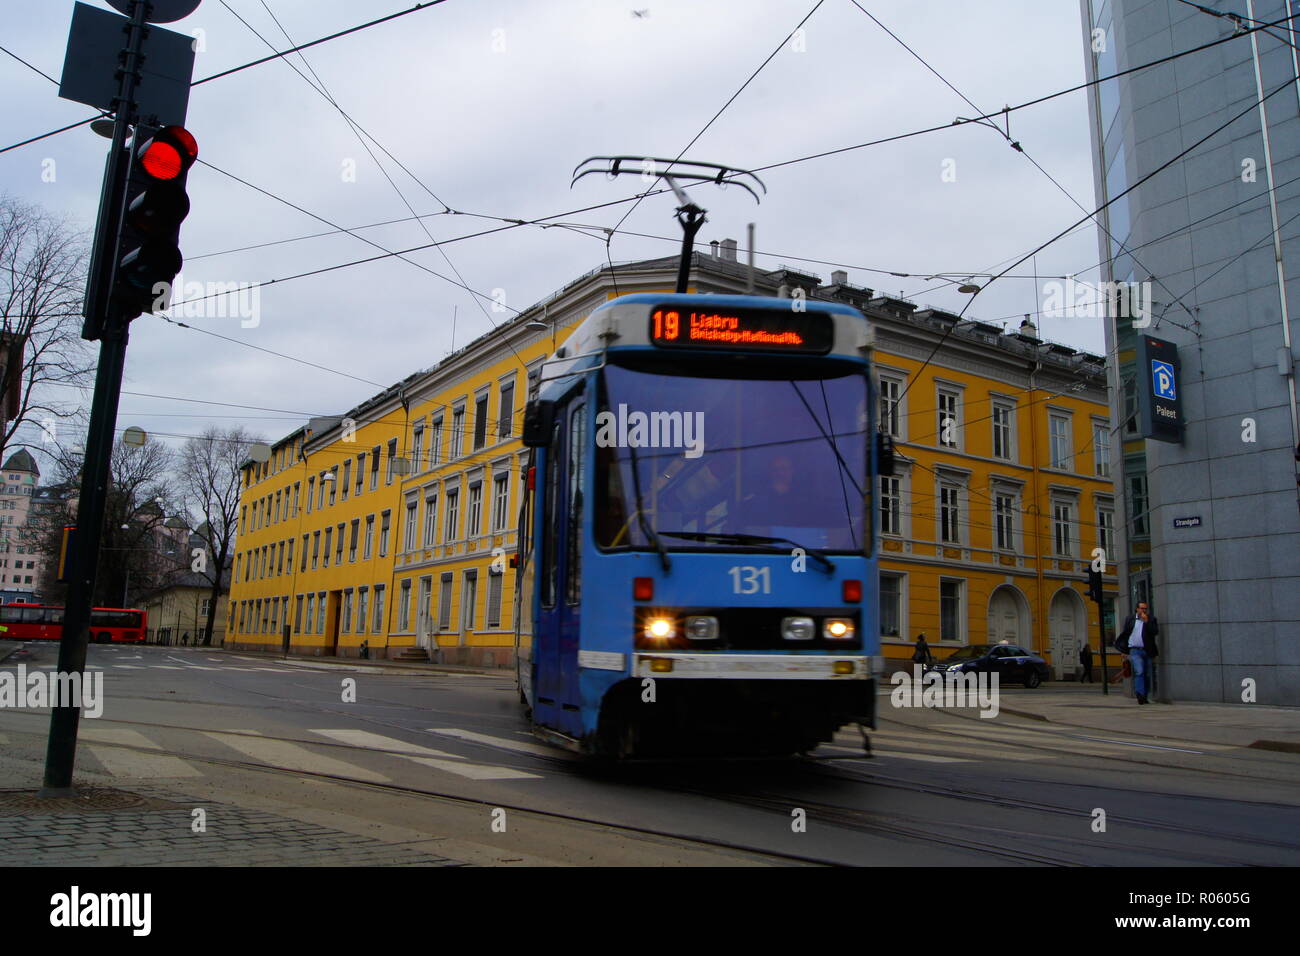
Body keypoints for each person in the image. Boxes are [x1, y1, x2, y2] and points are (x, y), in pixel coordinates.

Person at [1115, 601, 1159, 704]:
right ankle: (1139, 694)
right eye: (1141, 608)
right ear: (1137, 609)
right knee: (1139, 671)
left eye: (1145, 609)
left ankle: (1144, 695)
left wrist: (1147, 622)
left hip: (1147, 650)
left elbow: (1155, 632)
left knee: (1147, 674)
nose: (1143, 610)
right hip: (1134, 650)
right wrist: (1124, 651)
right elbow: (1126, 634)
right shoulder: (1130, 619)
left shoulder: (1151, 619)